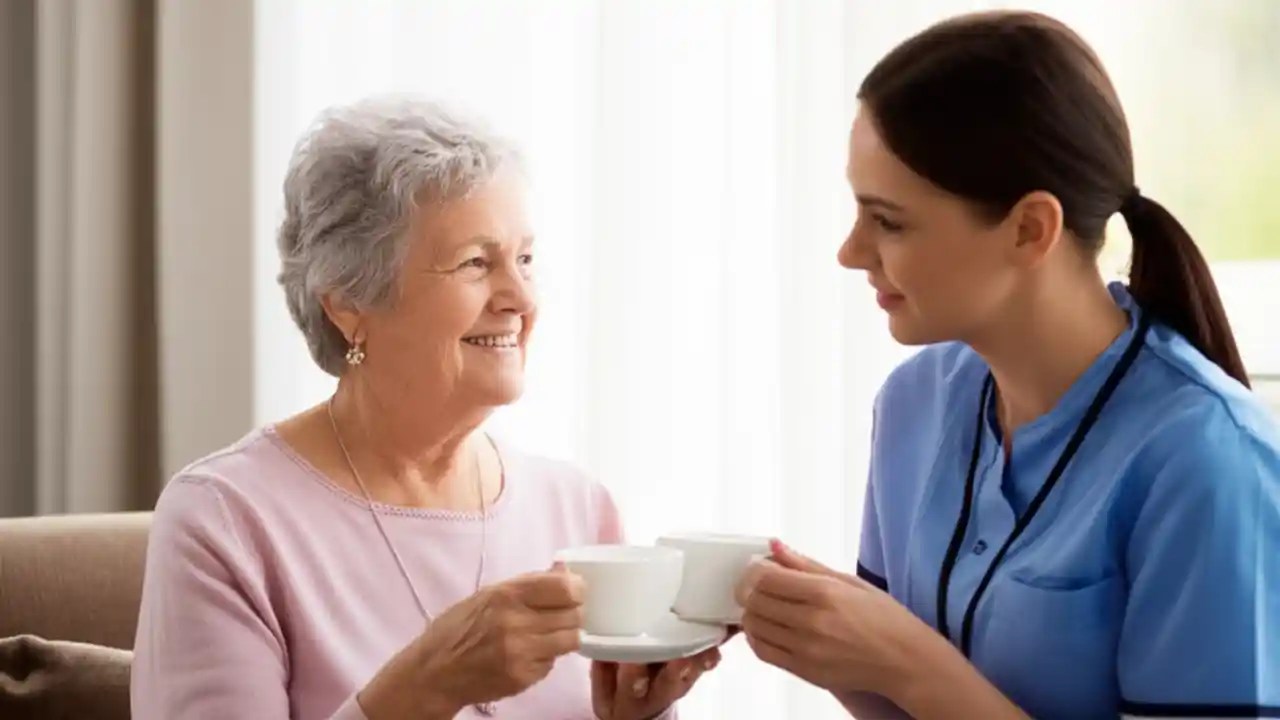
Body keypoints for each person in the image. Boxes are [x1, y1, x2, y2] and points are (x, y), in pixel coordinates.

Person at [736, 11, 1280, 720]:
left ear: (1029, 229)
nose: (850, 251)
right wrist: (807, 630)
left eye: (888, 221)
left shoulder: (1206, 461)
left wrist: (908, 664)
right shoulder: (913, 404)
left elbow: (912, 677)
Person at [131, 97, 717, 719]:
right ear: (348, 303)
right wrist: (425, 686)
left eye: (524, 259)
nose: (521, 298)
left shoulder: (578, 509)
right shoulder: (226, 520)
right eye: (475, 263)